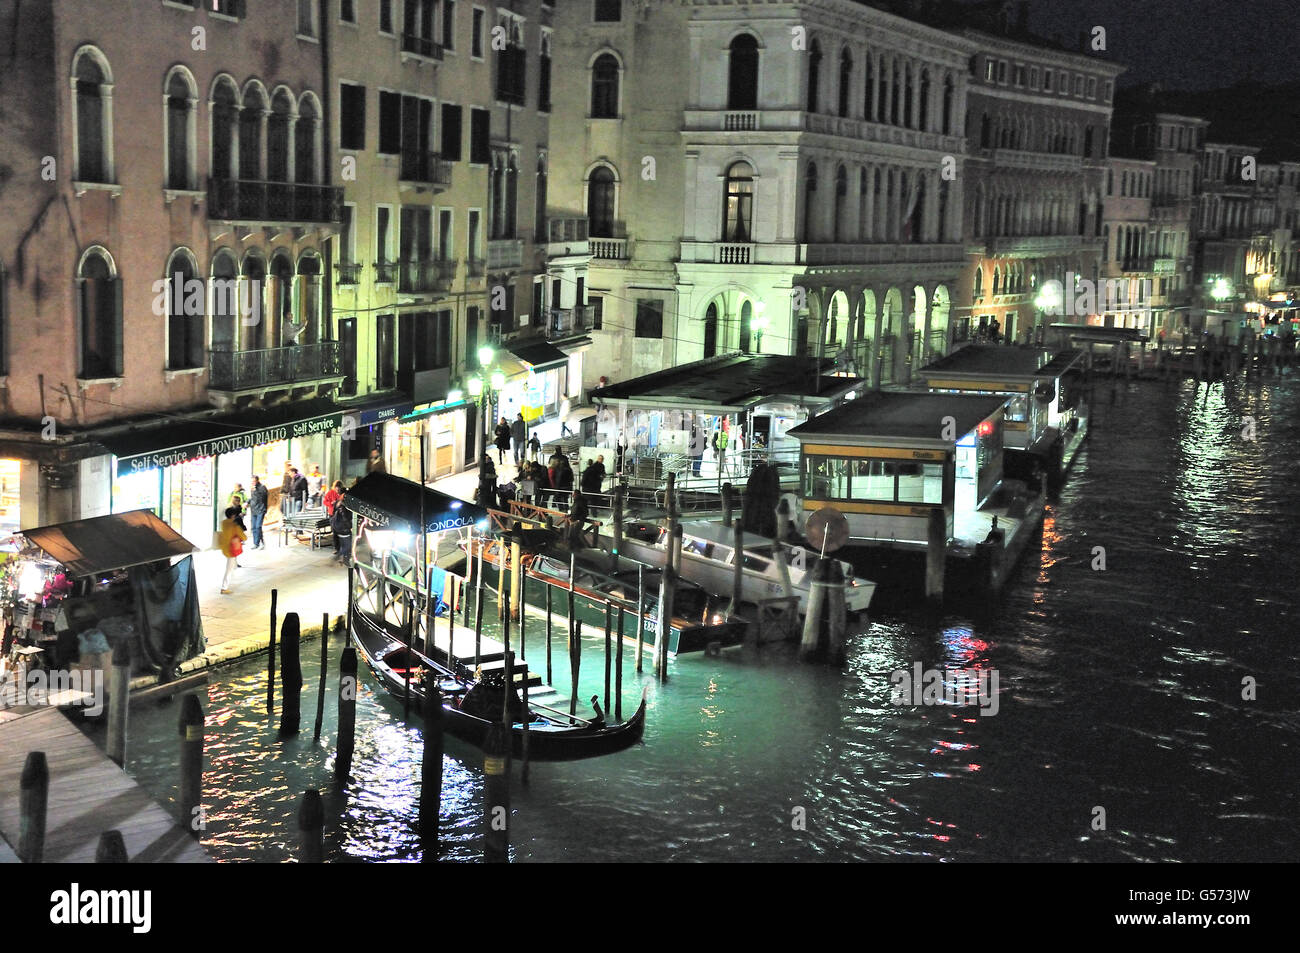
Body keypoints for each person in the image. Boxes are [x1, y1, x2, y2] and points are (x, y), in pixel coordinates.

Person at [218, 506, 247, 594]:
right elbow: (244, 537)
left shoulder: (224, 523)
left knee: (232, 565)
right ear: (233, 515)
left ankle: (228, 582)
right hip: (232, 549)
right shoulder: (234, 525)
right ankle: (224, 588)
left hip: (225, 547)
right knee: (229, 569)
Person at [247, 475, 268, 550]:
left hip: (260, 509)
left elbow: (263, 498)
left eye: (253, 481)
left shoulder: (262, 487)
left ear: (257, 481)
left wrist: (255, 490)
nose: (252, 483)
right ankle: (256, 543)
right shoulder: (253, 488)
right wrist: (247, 502)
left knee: (258, 527)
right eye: (251, 481)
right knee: (253, 528)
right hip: (253, 510)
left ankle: (262, 543)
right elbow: (252, 498)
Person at [330, 488, 351, 562]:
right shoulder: (345, 504)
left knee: (344, 544)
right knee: (348, 545)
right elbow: (345, 516)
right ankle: (340, 557)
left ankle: (345, 559)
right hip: (343, 528)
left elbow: (332, 513)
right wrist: (349, 526)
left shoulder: (337, 502)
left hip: (337, 526)